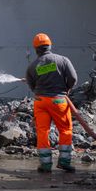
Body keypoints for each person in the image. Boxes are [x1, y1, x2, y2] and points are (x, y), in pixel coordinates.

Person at [25, 32, 78, 173]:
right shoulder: (63, 60)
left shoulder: (32, 66)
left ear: (36, 49)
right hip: (59, 100)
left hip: (40, 101)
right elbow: (73, 77)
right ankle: (64, 162)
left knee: (42, 131)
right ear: (49, 46)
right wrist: (67, 89)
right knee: (65, 130)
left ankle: (45, 164)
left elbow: (32, 86)